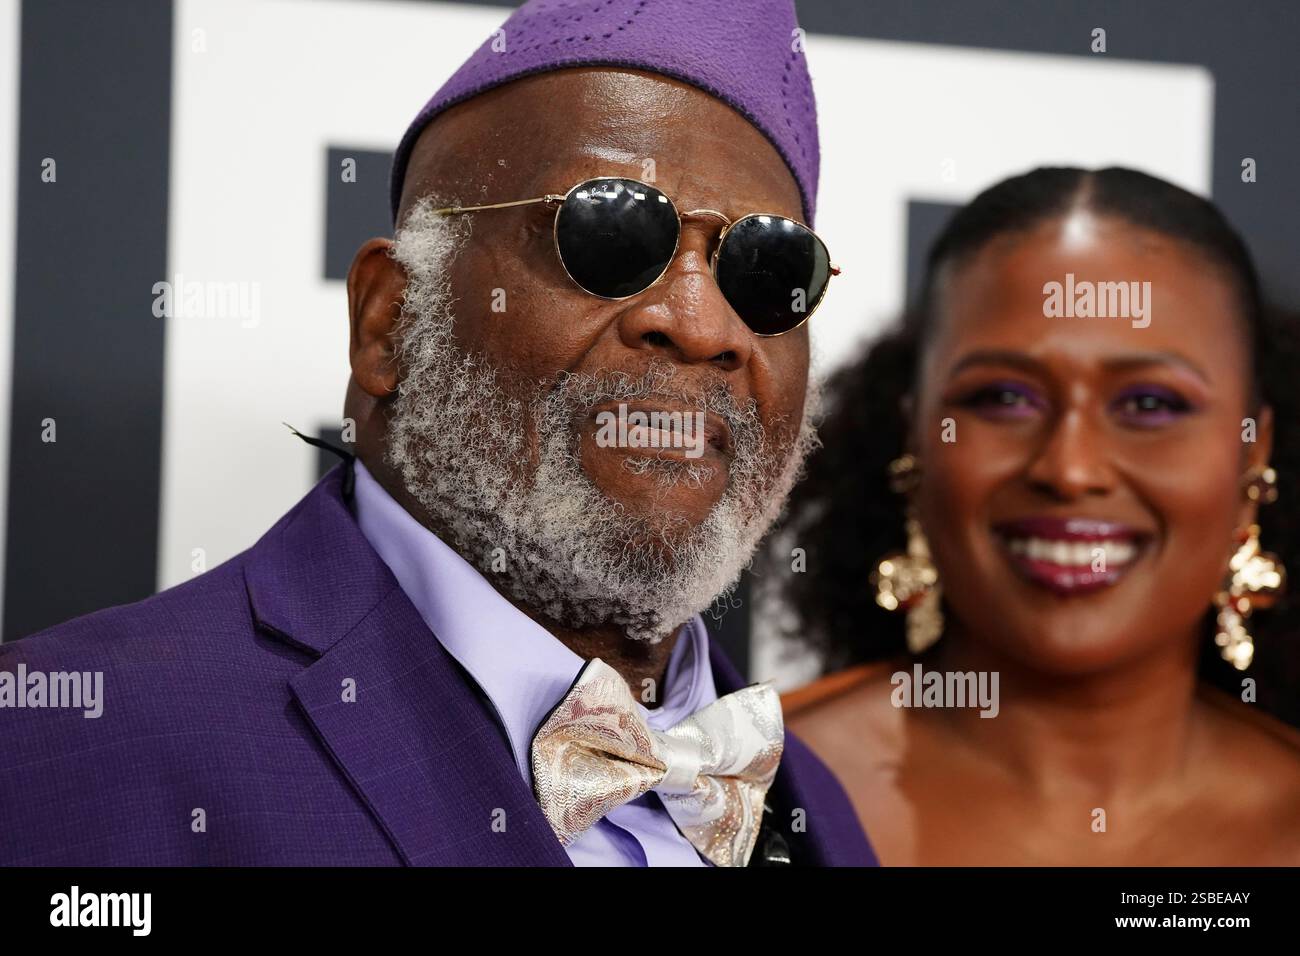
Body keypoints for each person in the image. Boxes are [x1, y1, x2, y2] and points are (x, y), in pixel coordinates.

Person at [0, 0, 874, 867]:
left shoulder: (814, 810)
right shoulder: (70, 743)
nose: (700, 323)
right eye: (609, 233)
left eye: (769, 271)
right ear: (391, 322)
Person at [779, 166, 1300, 865]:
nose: (1069, 467)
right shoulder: (744, 797)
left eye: (1150, 404)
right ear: (915, 438)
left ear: (1252, 454)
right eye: (1003, 397)